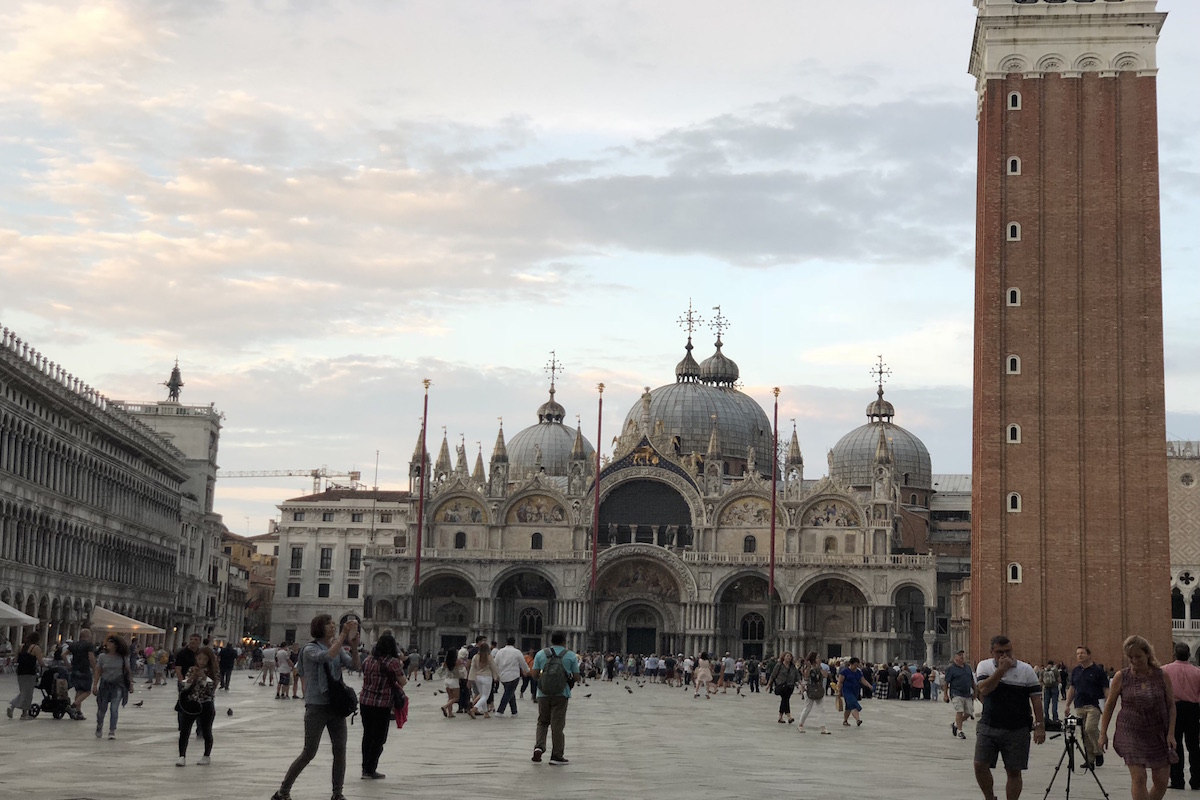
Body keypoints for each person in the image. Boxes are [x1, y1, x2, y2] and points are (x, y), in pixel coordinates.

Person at [272, 614, 361, 800]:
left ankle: (338, 793)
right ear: (319, 627)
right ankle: (283, 791)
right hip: (317, 705)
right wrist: (343, 636)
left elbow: (355, 666)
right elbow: (327, 657)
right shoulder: (309, 649)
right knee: (309, 752)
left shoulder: (334, 646)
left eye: (332, 623)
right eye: (328, 623)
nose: (332, 626)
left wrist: (353, 647)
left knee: (340, 750)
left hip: (336, 706)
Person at [1099, 635, 1177, 800]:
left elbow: (1171, 705)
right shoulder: (1122, 676)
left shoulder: (1162, 676)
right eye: (1131, 657)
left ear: (1148, 654)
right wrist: (1102, 733)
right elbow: (1110, 705)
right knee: (1139, 777)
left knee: (1162, 781)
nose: (1134, 660)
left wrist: (1171, 733)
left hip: (1157, 730)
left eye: (1138, 656)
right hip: (1130, 730)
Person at [973, 634, 1045, 800]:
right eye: (1000, 652)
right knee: (979, 764)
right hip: (989, 725)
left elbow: (1036, 699)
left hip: (1017, 728)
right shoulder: (984, 666)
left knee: (1013, 770)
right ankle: (990, 797)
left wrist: (1039, 725)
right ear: (992, 652)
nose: (1005, 656)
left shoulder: (1026, 670)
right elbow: (984, 689)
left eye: (1008, 651)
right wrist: (1001, 670)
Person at [358, 633, 405, 780]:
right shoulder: (393, 662)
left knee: (367, 735)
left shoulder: (368, 660)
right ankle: (371, 769)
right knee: (379, 738)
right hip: (382, 703)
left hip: (365, 701)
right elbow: (403, 682)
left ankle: (365, 767)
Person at [531, 631, 580, 766]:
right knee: (557, 725)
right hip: (561, 694)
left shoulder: (541, 654)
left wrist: (543, 680)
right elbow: (577, 677)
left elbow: (534, 674)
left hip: (543, 694)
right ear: (565, 641)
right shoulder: (570, 655)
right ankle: (557, 755)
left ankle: (539, 747)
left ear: (551, 640)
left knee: (542, 722)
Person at [1162, 642, 1200, 790]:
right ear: (1189, 655)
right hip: (1193, 709)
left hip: (1173, 709)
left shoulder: (1164, 670)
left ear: (1174, 654)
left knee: (1174, 744)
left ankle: (1177, 780)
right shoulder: (1197, 672)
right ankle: (1197, 780)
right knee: (1194, 746)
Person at [1065, 644, 1109, 769]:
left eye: (1082, 653)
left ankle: (1098, 751)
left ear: (1089, 655)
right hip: (1079, 704)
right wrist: (1067, 705)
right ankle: (1089, 759)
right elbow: (1072, 688)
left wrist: (1108, 704)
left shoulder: (1098, 671)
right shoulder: (1076, 671)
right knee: (1083, 733)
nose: (1080, 656)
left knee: (1090, 728)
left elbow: (1105, 688)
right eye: (1078, 654)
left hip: (1094, 704)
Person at [176, 646, 218, 766]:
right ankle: (182, 756)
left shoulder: (214, 671)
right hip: (191, 703)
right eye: (199, 659)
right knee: (184, 731)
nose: (201, 662)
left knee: (206, 731)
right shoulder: (191, 669)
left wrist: (204, 677)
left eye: (204, 659)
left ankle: (206, 755)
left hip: (206, 704)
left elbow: (212, 688)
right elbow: (185, 686)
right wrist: (192, 677)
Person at [93, 634, 132, 739]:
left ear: (116, 644)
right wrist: (95, 685)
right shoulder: (102, 657)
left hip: (118, 685)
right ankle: (99, 725)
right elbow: (98, 671)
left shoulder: (123, 658)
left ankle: (112, 730)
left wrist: (131, 684)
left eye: (111, 642)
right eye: (108, 642)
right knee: (102, 709)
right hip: (105, 684)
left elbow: (128, 671)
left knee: (114, 708)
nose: (108, 644)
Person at [7, 632, 43, 720]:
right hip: (30, 672)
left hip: (20, 672)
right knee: (28, 693)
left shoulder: (20, 647)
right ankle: (23, 713)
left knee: (23, 692)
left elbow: (15, 660)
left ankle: (16, 708)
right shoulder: (36, 648)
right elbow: (41, 662)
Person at [66, 629, 98, 720]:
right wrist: (95, 668)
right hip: (84, 670)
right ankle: (73, 705)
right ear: (87, 636)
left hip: (75, 670)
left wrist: (68, 665)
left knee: (79, 691)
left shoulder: (74, 644)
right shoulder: (89, 645)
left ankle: (78, 713)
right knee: (87, 691)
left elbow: (64, 654)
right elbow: (91, 657)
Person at [944, 649, 976, 740]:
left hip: (967, 693)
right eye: (959, 655)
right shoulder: (951, 668)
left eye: (962, 655)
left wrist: (975, 692)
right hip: (956, 693)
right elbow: (946, 682)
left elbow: (972, 680)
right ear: (955, 657)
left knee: (969, 713)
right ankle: (960, 731)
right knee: (960, 711)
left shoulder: (967, 667)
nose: (962, 657)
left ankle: (955, 724)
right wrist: (945, 694)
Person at [493, 637, 529, 717]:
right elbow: (522, 663)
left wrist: (496, 674)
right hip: (513, 675)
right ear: (514, 643)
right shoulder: (517, 652)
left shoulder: (500, 651)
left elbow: (495, 663)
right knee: (508, 693)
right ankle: (500, 711)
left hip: (502, 675)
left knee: (510, 692)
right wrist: (527, 670)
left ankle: (514, 711)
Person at [798, 651, 830, 734]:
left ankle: (823, 727)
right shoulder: (808, 667)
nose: (819, 659)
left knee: (822, 709)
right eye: (817, 657)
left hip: (819, 689)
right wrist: (809, 667)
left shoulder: (820, 668)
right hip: (810, 689)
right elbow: (806, 676)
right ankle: (800, 724)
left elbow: (825, 675)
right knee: (807, 708)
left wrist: (819, 667)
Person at [837, 657, 873, 727]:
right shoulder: (844, 671)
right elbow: (840, 682)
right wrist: (838, 691)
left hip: (855, 691)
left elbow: (862, 680)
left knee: (849, 706)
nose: (856, 667)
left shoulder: (858, 672)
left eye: (857, 665)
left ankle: (845, 720)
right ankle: (858, 720)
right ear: (851, 664)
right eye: (855, 665)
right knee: (853, 704)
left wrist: (868, 685)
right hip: (847, 691)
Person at [468, 642, 499, 719]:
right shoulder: (489, 657)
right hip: (487, 677)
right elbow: (493, 667)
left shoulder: (475, 657)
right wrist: (496, 676)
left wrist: (470, 679)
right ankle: (474, 709)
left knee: (482, 695)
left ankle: (486, 713)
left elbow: (473, 668)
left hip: (478, 677)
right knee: (485, 696)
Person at [769, 651, 799, 724]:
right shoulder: (779, 665)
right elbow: (773, 675)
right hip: (781, 685)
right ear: (783, 657)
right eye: (787, 656)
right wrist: (768, 685)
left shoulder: (792, 666)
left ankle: (780, 717)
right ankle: (789, 716)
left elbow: (797, 676)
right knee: (785, 699)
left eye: (790, 656)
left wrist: (801, 684)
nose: (789, 658)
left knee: (784, 700)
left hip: (790, 686)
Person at [440, 650, 465, 718]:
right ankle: (445, 707)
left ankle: (450, 713)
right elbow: (460, 670)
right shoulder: (457, 661)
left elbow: (442, 670)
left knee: (450, 697)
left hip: (447, 679)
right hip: (454, 680)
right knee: (456, 698)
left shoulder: (446, 662)